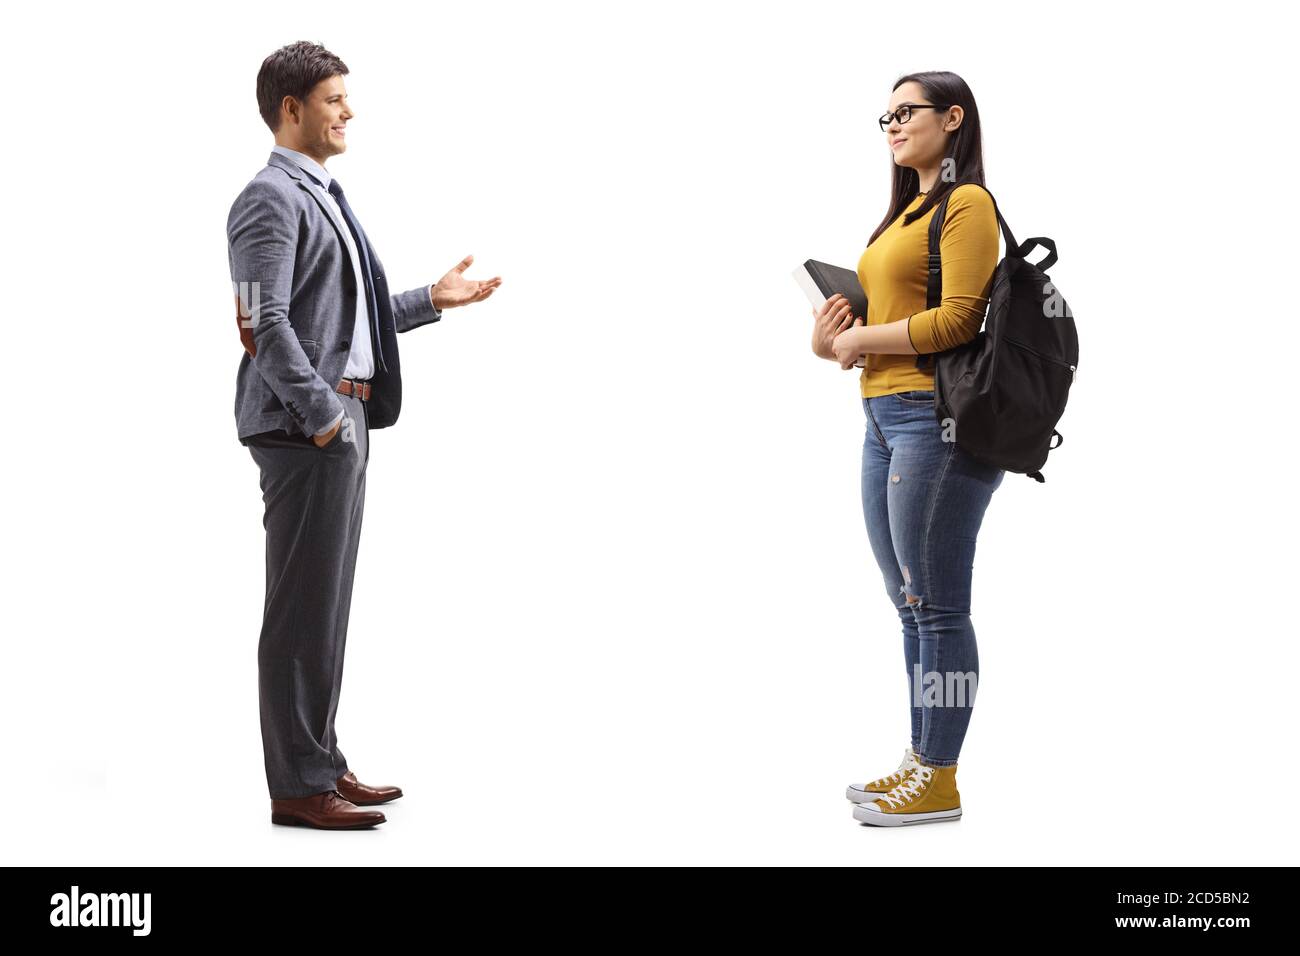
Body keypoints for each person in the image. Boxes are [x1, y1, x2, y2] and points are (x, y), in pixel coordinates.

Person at [227, 40, 501, 829]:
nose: (349, 111)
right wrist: (320, 421)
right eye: (335, 99)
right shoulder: (267, 199)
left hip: (342, 417)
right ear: (292, 109)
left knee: (326, 605)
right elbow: (262, 324)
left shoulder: (325, 194)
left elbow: (337, 319)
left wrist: (431, 299)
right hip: (304, 425)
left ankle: (322, 763)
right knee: (300, 611)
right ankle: (297, 787)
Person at [809, 71, 1002, 827]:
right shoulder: (902, 216)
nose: (892, 125)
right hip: (882, 418)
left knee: (940, 609)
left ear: (952, 119)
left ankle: (941, 778)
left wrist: (862, 337)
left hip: (937, 421)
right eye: (883, 115)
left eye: (906, 111)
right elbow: (877, 327)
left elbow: (959, 320)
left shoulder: (967, 203)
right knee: (911, 605)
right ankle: (920, 761)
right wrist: (832, 341)